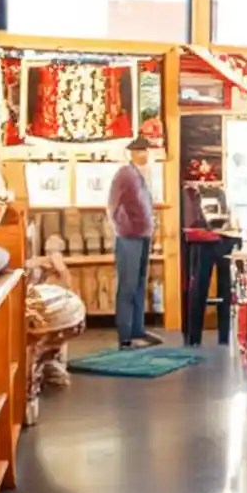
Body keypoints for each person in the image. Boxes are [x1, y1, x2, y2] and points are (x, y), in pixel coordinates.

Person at [108, 136, 163, 349]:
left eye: (146, 151)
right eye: (142, 151)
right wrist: (121, 226)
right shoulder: (124, 174)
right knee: (128, 285)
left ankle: (137, 329)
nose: (145, 154)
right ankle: (125, 335)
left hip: (142, 234)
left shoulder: (140, 176)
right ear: (133, 153)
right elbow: (112, 204)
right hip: (128, 235)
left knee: (140, 283)